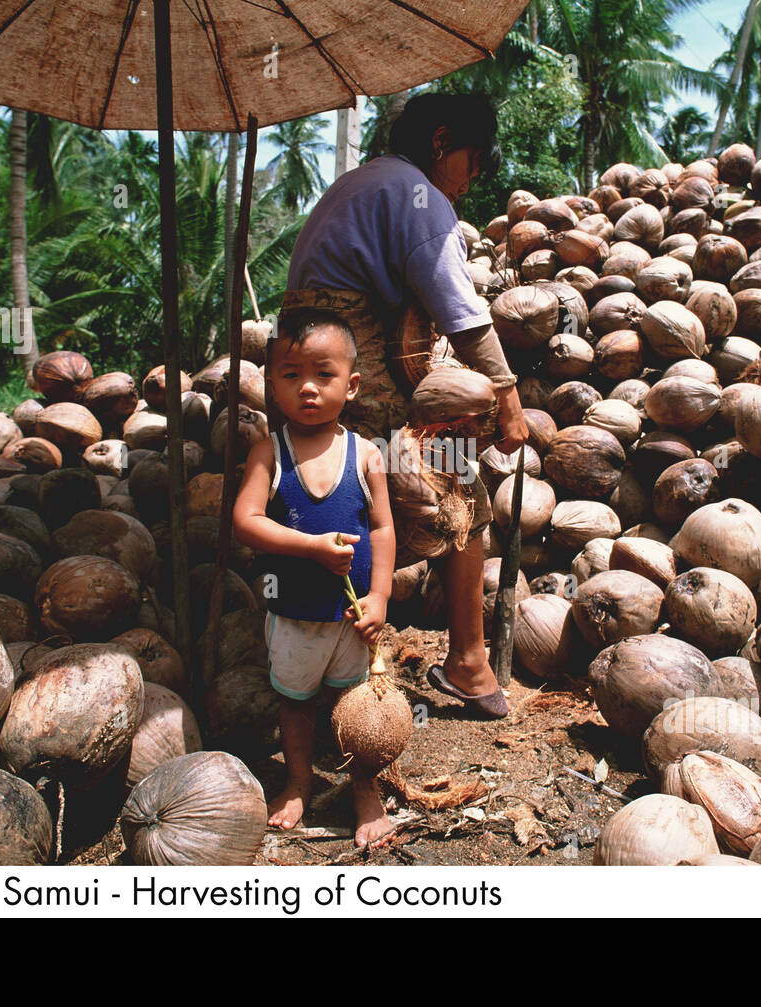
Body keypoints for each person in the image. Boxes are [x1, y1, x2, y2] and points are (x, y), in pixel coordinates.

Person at [280, 92, 527, 718]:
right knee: (456, 483)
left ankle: (317, 659)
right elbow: (463, 315)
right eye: (473, 163)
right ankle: (467, 663)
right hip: (344, 363)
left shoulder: (362, 181)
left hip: (304, 364)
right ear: (443, 141)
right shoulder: (418, 194)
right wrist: (509, 400)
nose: (470, 185)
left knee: (351, 496)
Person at [233, 308, 397, 849]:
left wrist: (379, 597)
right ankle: (299, 780)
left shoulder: (366, 454)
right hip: (294, 615)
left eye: (323, 375)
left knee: (358, 711)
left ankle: (364, 788)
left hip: (353, 619)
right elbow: (247, 521)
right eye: (290, 374)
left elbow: (383, 529)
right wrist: (310, 547)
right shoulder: (269, 452)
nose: (307, 388)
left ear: (350, 386)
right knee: (296, 703)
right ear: (269, 383)